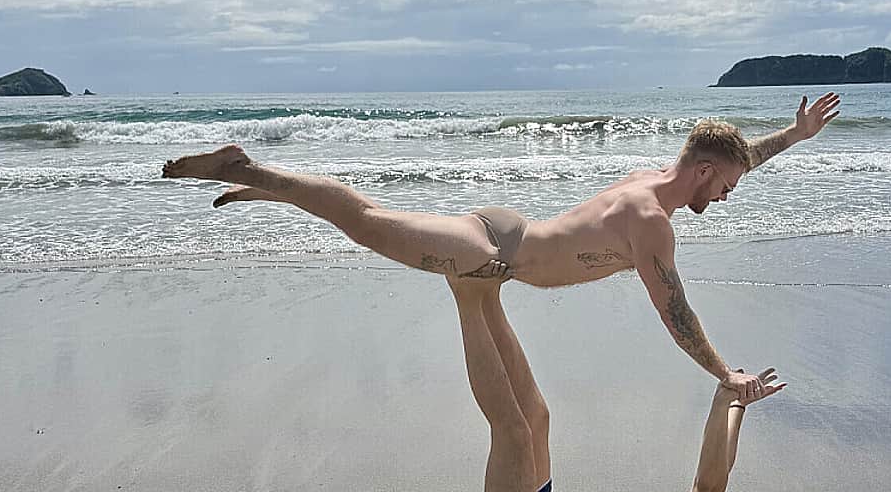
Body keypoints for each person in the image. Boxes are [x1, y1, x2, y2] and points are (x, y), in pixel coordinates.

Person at [162, 93, 839, 394]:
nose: (728, 193)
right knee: (366, 221)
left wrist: (793, 136)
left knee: (369, 218)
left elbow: (734, 154)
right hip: (492, 253)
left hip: (501, 237)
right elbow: (679, 318)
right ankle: (247, 167)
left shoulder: (658, 177)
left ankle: (270, 185)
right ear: (700, 170)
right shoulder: (652, 222)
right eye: (723, 185)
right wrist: (727, 374)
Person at [445, 276, 788, 492]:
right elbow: (721, 465)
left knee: (514, 433)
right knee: (537, 419)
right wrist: (739, 407)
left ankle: (463, 294)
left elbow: (707, 488)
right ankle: (486, 293)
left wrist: (722, 397)